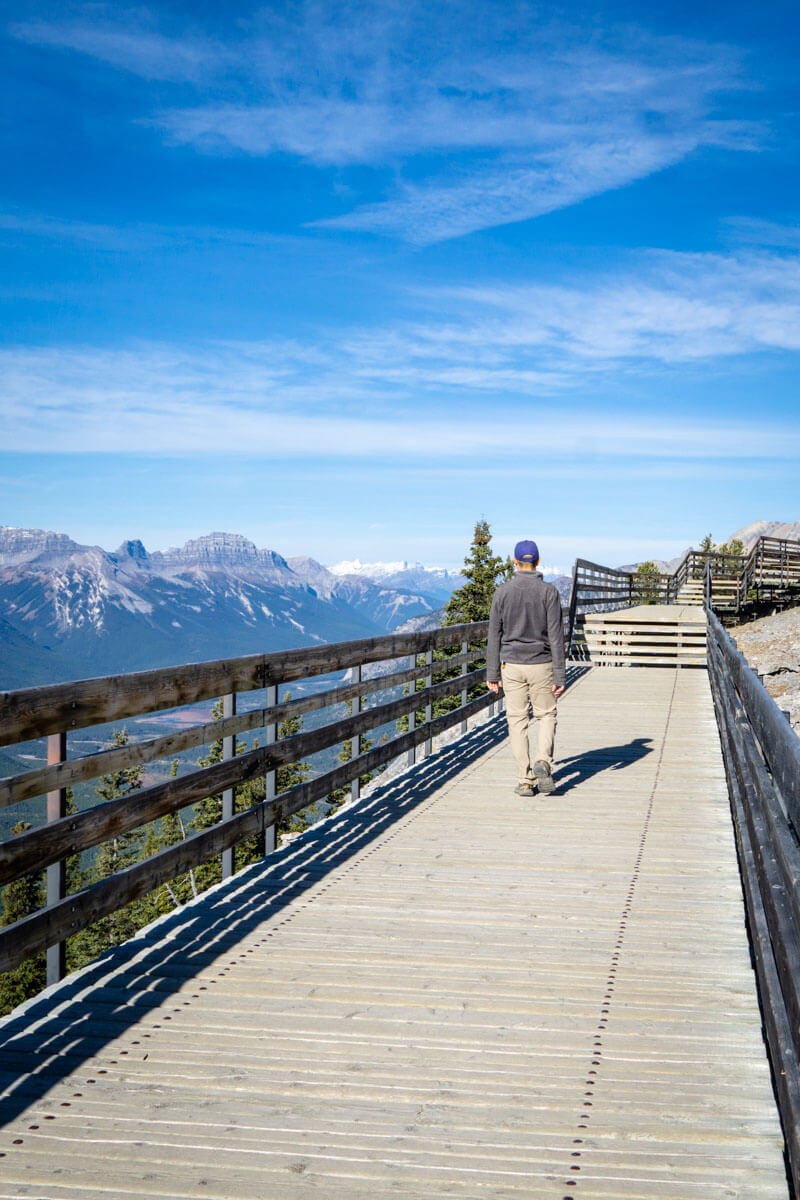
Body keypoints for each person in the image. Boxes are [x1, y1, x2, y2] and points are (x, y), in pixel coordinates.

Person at [486, 539, 566, 797]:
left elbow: (494, 636)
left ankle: (525, 779)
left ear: (515, 562)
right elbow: (556, 636)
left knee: (517, 720)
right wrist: (560, 673)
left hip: (511, 665)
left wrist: (492, 673)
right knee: (546, 715)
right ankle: (543, 760)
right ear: (538, 561)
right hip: (541, 663)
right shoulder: (549, 592)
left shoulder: (502, 592)